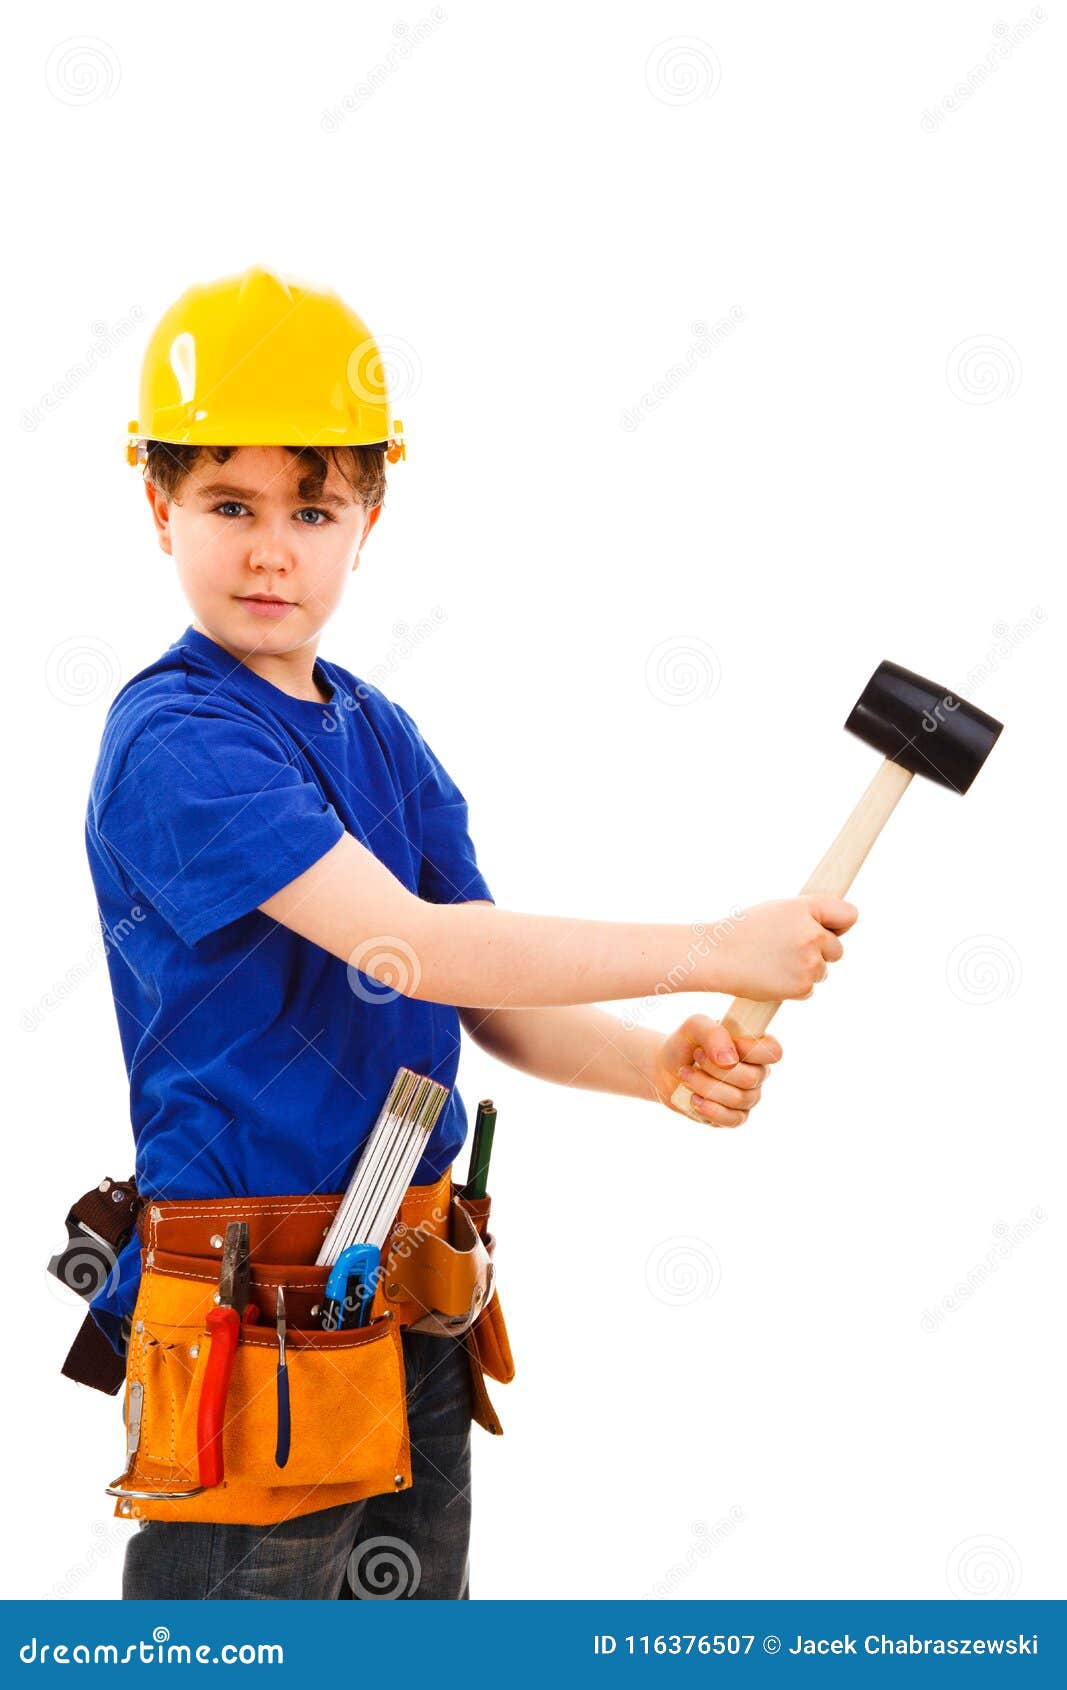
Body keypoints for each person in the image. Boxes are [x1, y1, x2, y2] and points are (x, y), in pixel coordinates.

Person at [84, 265, 857, 1601]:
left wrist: (651, 1061)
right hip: (251, 1308)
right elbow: (410, 950)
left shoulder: (377, 731)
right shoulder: (178, 740)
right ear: (159, 502)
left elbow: (484, 984)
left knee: (413, 1637)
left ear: (367, 515)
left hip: (411, 1287)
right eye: (230, 503)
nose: (273, 546)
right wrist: (715, 948)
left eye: (312, 507)